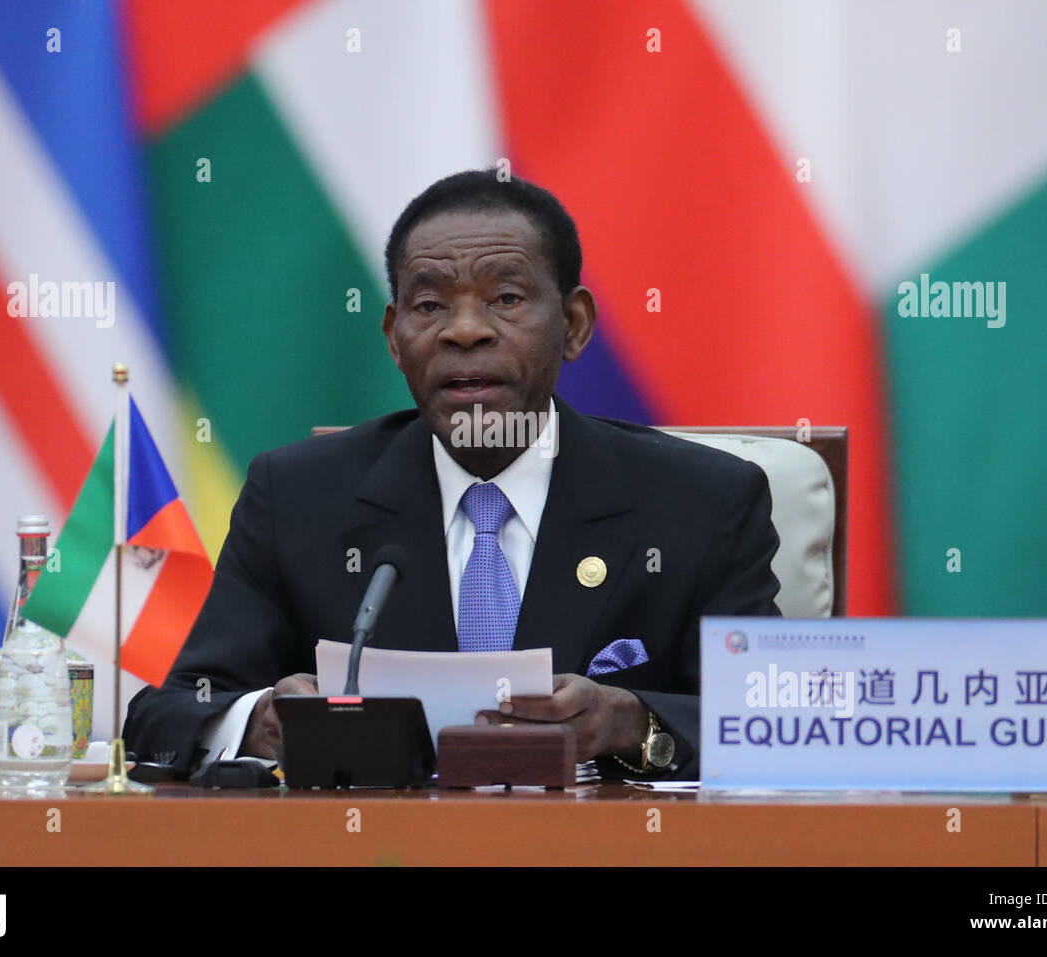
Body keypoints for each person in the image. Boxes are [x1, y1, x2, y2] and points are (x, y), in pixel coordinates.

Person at [124, 170, 781, 780]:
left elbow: (780, 719)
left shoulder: (703, 501)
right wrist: (264, 720)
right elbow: (168, 715)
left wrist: (627, 721)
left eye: (506, 297)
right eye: (431, 306)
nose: (465, 331)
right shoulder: (296, 497)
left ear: (574, 325)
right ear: (394, 336)